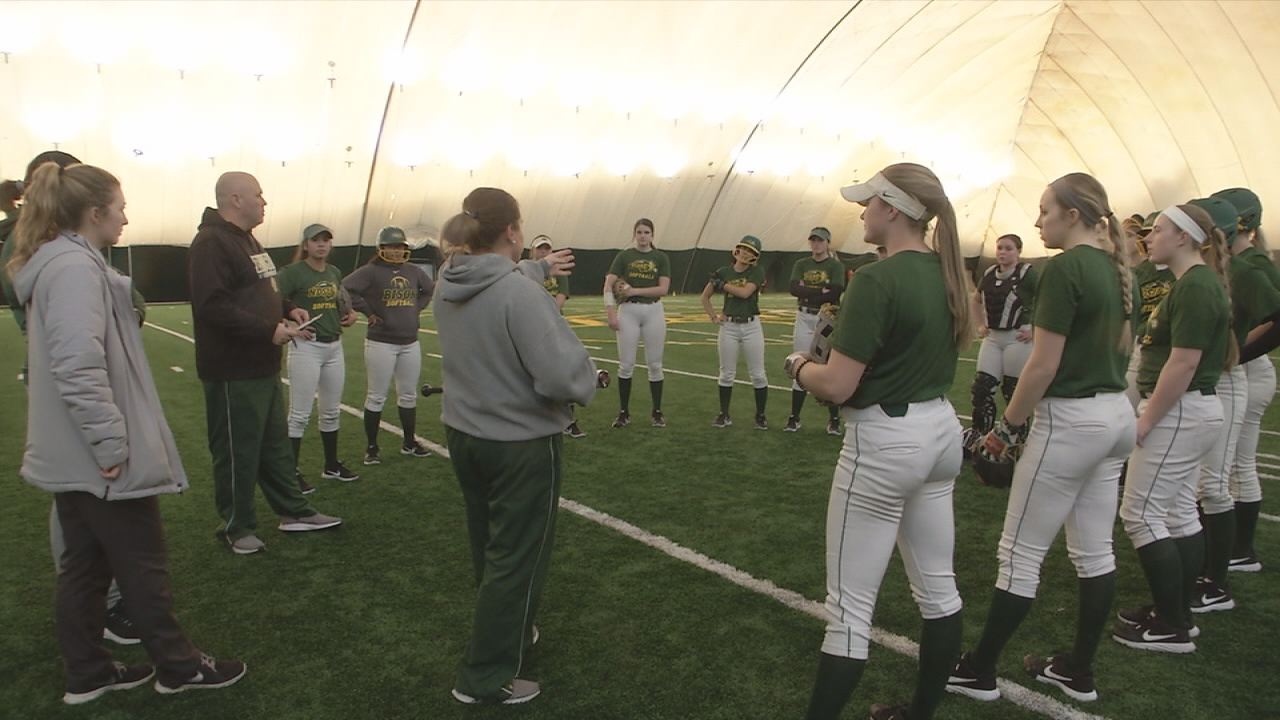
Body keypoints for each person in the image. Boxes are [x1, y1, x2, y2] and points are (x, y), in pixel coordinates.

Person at [11, 161, 245, 703]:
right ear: (94, 213)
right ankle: (179, 667)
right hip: (95, 457)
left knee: (86, 568)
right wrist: (111, 445)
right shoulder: (72, 269)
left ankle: (88, 672)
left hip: (77, 455)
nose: (125, 217)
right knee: (141, 563)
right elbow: (77, 366)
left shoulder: (67, 263)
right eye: (119, 207)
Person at [785, 164, 970, 720]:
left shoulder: (876, 279)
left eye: (868, 203)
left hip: (888, 439)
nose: (861, 212)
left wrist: (797, 368)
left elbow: (838, 385)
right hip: (939, 432)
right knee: (940, 591)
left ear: (892, 208)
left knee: (848, 611)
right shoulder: (948, 271)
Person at [947, 173, 1136, 703]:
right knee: (1095, 552)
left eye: (1045, 210)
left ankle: (979, 669)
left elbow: (1041, 366)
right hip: (1113, 419)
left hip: (1071, 423)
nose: (1037, 221)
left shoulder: (1066, 269)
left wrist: (1005, 430)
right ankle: (1077, 669)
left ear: (1073, 215)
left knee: (1020, 554)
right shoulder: (1120, 271)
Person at [435, 188, 598, 705]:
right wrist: (588, 378)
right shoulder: (519, 294)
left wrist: (539, 268)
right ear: (512, 231)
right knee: (517, 557)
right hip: (519, 444)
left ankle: (509, 632)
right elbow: (559, 376)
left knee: (490, 544)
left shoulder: (448, 279)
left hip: (465, 435)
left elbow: (498, 279)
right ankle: (484, 677)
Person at [188, 172, 342, 556]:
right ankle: (235, 527)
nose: (264, 201)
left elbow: (262, 289)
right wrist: (266, 329)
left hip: (262, 364)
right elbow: (212, 305)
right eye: (258, 194)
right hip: (233, 368)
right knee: (237, 450)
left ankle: (293, 511)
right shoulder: (211, 242)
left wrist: (289, 309)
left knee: (272, 446)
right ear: (236, 199)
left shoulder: (246, 240)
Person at [1111, 203, 1233, 655]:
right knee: (1179, 512)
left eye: (1159, 230)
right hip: (1189, 411)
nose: (1150, 238)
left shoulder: (1196, 285)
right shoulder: (1193, 282)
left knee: (1140, 514)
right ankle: (1176, 613)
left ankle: (1172, 626)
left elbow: (1183, 363)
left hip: (1180, 411)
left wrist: (1145, 419)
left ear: (1183, 237)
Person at [1186, 196, 1279, 613]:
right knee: (1207, 479)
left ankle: (1217, 576)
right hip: (1214, 380)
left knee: (1219, 479)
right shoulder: (1213, 269)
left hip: (1230, 379)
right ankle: (1213, 563)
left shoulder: (1246, 268)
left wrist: (1237, 353)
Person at [1212, 187, 1275, 573]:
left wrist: (1237, 353)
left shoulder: (1253, 264)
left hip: (1247, 372)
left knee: (1236, 464)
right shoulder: (1239, 260)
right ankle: (1237, 548)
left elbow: (1273, 320)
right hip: (1243, 370)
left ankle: (1241, 548)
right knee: (1232, 464)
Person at [342, 226, 435, 465]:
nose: (396, 251)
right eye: (392, 246)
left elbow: (429, 290)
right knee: (376, 396)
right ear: (381, 248)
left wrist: (417, 307)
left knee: (408, 394)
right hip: (381, 342)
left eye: (400, 247)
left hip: (409, 342)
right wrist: (368, 311)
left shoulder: (413, 271)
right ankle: (372, 447)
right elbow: (345, 289)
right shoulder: (371, 272)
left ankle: (409, 442)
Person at [278, 223, 360, 491]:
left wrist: (349, 314)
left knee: (331, 410)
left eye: (326, 240)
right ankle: (291, 473)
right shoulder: (292, 273)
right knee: (300, 413)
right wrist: (289, 325)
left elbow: (340, 301)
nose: (322, 245)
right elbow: (273, 299)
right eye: (316, 241)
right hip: (307, 347)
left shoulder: (334, 271)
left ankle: (331, 465)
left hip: (333, 346)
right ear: (305, 245)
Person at [963, 233, 1036, 453]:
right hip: (994, 337)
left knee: (1013, 391)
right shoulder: (988, 273)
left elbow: (1047, 299)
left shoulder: (1027, 274)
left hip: (1017, 338)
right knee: (982, 388)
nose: (1003, 252)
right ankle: (980, 436)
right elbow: (976, 300)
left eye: (1008, 248)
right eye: (1000, 248)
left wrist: (1033, 326)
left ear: (1018, 251)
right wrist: (980, 324)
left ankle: (1017, 440)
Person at [603, 218, 670, 428]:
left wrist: (635, 290)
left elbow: (663, 289)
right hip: (628, 311)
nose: (643, 236)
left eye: (647, 232)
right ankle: (624, 412)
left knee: (655, 364)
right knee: (626, 364)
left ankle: (657, 412)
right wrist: (611, 313)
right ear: (635, 234)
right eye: (639, 232)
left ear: (652, 235)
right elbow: (608, 284)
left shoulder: (660, 257)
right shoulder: (624, 256)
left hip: (653, 310)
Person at [703, 235, 770, 429]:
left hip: (751, 325)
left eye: (751, 251)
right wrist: (714, 316)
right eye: (744, 249)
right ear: (737, 249)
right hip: (729, 325)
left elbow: (745, 293)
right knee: (726, 373)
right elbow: (705, 297)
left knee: (758, 374)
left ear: (755, 256)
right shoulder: (724, 271)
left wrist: (722, 285)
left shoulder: (757, 271)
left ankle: (760, 415)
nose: (746, 253)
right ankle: (724, 414)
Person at [786, 226, 845, 435]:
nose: (816, 244)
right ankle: (794, 417)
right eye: (813, 240)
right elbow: (794, 289)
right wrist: (821, 290)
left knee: (829, 365)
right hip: (804, 316)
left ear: (828, 243)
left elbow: (836, 291)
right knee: (799, 363)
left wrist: (808, 292)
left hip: (826, 317)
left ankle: (834, 419)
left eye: (820, 240)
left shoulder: (835, 266)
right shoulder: (801, 263)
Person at [531, 234, 586, 438]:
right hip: (532, 326)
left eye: (547, 249)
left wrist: (548, 314)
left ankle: (569, 421)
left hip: (554, 324)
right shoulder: (527, 271)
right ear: (533, 251)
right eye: (540, 249)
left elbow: (561, 295)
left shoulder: (559, 271)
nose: (544, 252)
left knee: (564, 371)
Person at [1125, 213, 1174, 411]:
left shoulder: (1184, 271)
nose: (1146, 239)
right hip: (1141, 348)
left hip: (1171, 349)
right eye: (1144, 234)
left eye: (1155, 232)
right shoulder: (1140, 272)